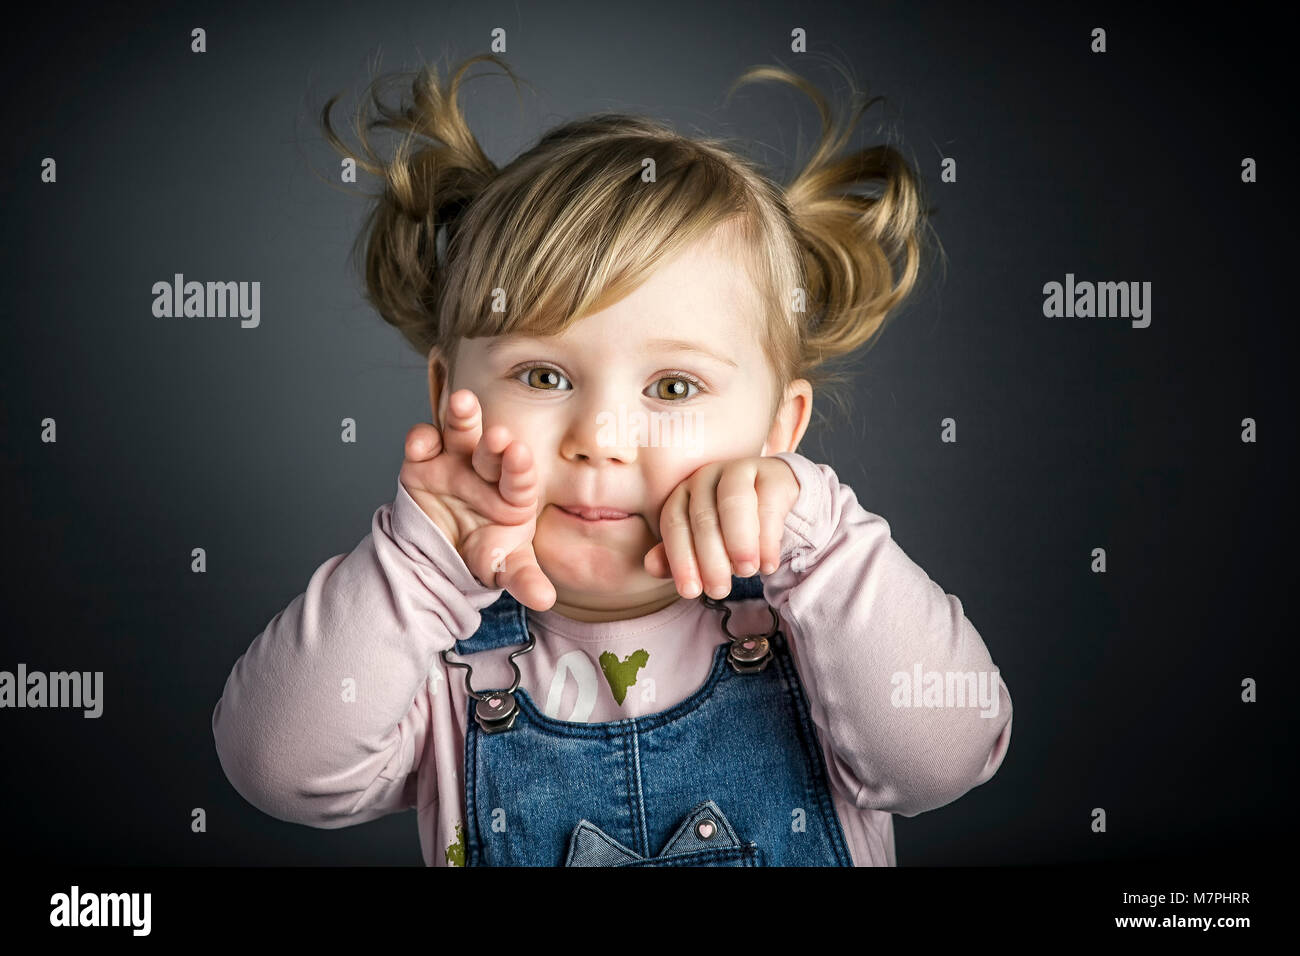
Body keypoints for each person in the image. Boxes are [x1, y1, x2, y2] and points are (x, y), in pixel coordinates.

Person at [212, 52, 1013, 866]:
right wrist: (417, 569)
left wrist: (818, 535)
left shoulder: (820, 619)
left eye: (672, 386)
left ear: (780, 428)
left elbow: (942, 761)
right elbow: (276, 768)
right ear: (448, 391)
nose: (601, 436)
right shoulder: (435, 658)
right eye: (543, 376)